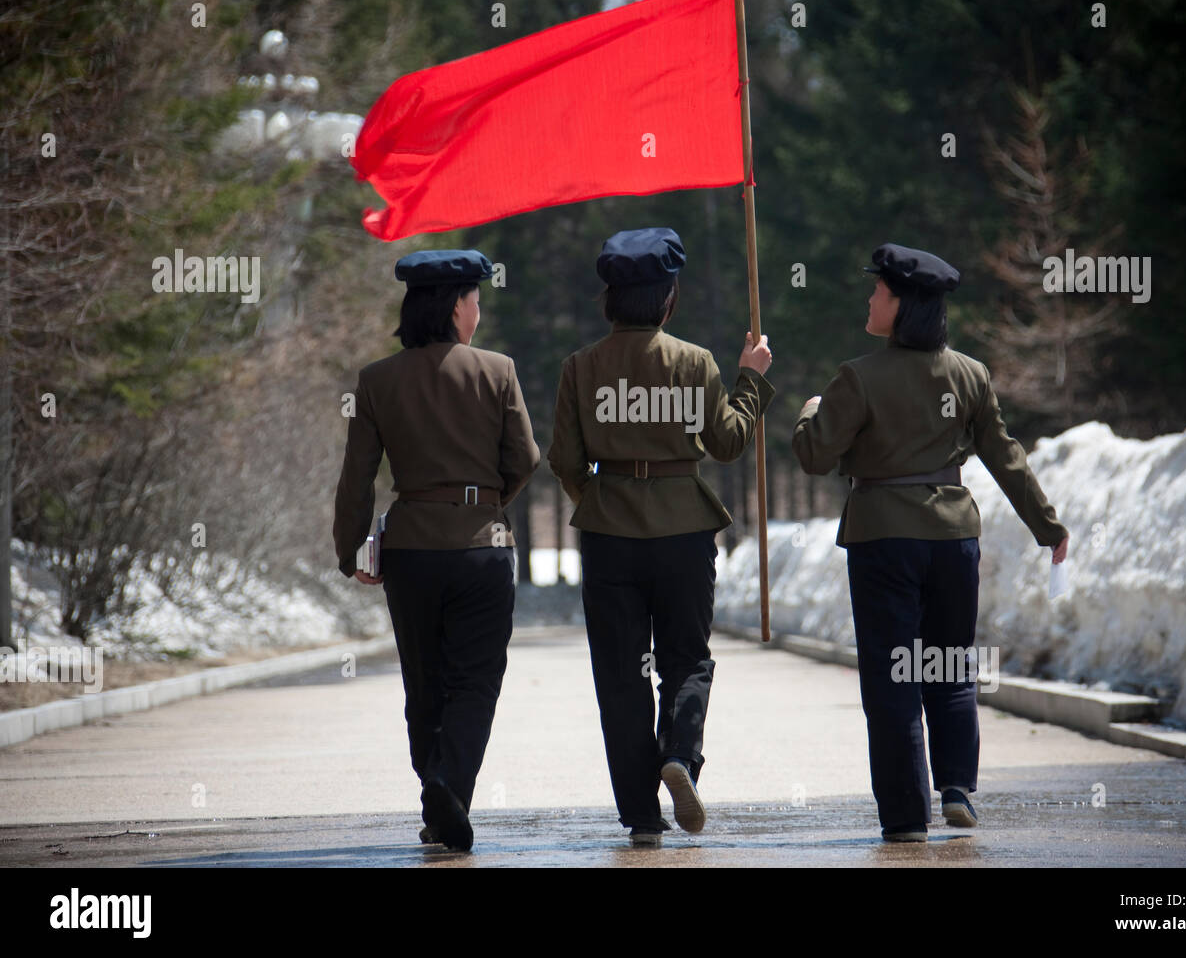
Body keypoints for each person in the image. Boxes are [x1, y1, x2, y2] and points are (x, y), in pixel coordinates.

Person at [792, 243, 1069, 844]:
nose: (870, 299)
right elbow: (1004, 456)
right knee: (950, 667)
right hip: (952, 537)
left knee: (892, 680)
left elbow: (815, 456)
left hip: (883, 537)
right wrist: (1049, 527)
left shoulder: (857, 376)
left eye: (878, 292)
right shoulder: (971, 375)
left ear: (903, 305)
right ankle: (957, 790)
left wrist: (809, 414)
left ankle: (905, 817)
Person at [548, 227, 774, 847]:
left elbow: (563, 459)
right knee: (687, 659)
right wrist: (751, 377)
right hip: (684, 529)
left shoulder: (580, 368)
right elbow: (728, 443)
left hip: (609, 534)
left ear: (610, 300)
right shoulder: (694, 361)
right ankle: (680, 753)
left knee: (620, 676)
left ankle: (641, 816)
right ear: (667, 298)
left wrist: (598, 502)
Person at [332, 249, 540, 852]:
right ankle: (448, 785)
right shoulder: (497, 370)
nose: (478, 312)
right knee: (475, 681)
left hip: (412, 551)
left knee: (423, 682)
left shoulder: (377, 380)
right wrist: (488, 502)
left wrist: (349, 552)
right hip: (483, 548)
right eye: (475, 301)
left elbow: (357, 477)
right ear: (456, 306)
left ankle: (436, 793)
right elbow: (524, 459)